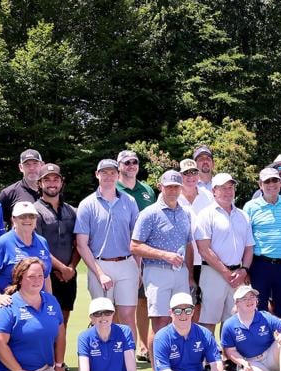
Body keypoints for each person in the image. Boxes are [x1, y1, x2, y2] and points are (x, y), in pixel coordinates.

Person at [75, 158, 142, 357]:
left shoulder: (129, 201)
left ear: (117, 175)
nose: (108, 176)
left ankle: (129, 362)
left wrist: (137, 268)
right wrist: (100, 274)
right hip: (100, 265)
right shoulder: (87, 204)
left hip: (127, 264)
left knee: (128, 315)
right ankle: (104, 359)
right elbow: (81, 244)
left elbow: (136, 239)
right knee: (102, 316)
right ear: (97, 175)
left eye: (112, 172)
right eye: (104, 172)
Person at [0, 258, 67, 371]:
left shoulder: (51, 301)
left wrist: (59, 364)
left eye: (40, 276)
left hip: (43, 370)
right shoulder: (8, 305)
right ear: (20, 279)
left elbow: (61, 335)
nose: (37, 280)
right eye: (31, 276)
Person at [131, 170, 196, 358]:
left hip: (180, 273)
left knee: (181, 320)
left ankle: (176, 365)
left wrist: (190, 275)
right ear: (161, 187)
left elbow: (188, 245)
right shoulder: (149, 213)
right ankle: (157, 369)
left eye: (176, 186)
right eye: (169, 187)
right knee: (160, 322)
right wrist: (164, 255)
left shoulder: (185, 213)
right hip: (157, 272)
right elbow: (134, 246)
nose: (173, 190)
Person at [153, 292, 234, 371]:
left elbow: (216, 363)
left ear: (193, 311)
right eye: (178, 311)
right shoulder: (162, 337)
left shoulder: (204, 333)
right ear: (171, 313)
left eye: (188, 310)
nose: (183, 315)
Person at [194, 172, 253, 333]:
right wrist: (226, 273)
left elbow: (249, 247)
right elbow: (204, 249)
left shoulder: (243, 215)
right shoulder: (206, 214)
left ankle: (229, 350)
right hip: (213, 273)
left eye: (231, 187)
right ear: (214, 191)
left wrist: (244, 270)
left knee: (234, 321)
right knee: (208, 321)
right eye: (223, 188)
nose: (228, 191)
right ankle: (208, 351)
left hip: (238, 274)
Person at [33, 164, 79, 355]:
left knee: (63, 319)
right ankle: (45, 359)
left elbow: (79, 243)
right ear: (40, 183)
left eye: (56, 179)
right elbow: (38, 247)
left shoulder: (72, 211)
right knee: (45, 319)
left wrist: (71, 268)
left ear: (61, 182)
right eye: (47, 180)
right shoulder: (34, 211)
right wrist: (61, 268)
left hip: (69, 275)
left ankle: (58, 360)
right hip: (45, 275)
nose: (52, 183)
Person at [115, 149, 156, 351]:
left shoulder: (147, 190)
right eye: (127, 163)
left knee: (143, 300)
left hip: (147, 252)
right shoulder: (113, 188)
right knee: (118, 302)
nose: (131, 166)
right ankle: (117, 343)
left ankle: (143, 344)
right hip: (121, 253)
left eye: (134, 162)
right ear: (119, 166)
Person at [244, 167, 281, 320]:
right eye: (267, 181)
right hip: (260, 265)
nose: (271, 184)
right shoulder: (250, 207)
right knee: (258, 308)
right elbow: (245, 239)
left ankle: (280, 336)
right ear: (260, 184)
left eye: (275, 180)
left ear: (280, 183)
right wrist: (245, 268)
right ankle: (261, 335)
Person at [0, 201, 53, 307]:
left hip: (32, 306)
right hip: (2, 307)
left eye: (31, 216)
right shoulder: (2, 243)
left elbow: (46, 276)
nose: (27, 220)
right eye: (22, 216)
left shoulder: (42, 242)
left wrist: (49, 300)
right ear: (13, 219)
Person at [177, 158, 215, 325]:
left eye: (193, 172)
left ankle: (196, 338)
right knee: (180, 304)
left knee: (200, 303)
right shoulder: (172, 195)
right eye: (186, 173)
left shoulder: (209, 196)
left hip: (205, 259)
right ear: (180, 176)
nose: (190, 177)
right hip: (179, 260)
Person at [0, 149, 44, 224]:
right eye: (27, 164)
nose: (32, 168)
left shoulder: (50, 191)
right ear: (21, 167)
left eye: (35, 163)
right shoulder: (8, 193)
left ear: (42, 165)